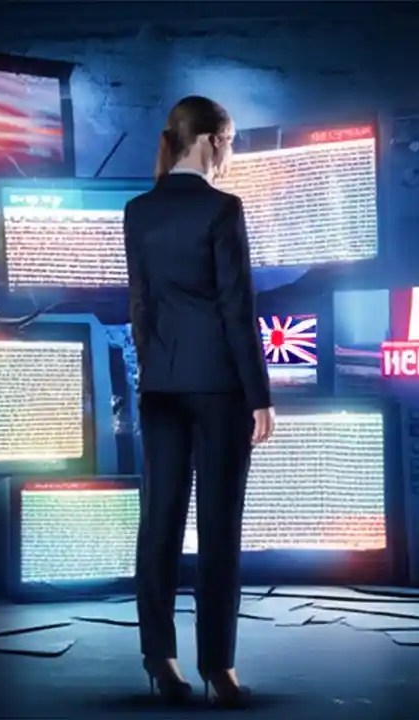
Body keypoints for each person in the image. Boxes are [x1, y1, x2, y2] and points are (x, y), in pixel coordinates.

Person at [124, 95, 274, 710]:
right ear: (211, 140)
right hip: (218, 388)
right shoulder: (223, 208)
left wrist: (153, 367)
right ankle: (219, 668)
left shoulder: (138, 210)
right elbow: (238, 309)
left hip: (159, 385)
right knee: (218, 529)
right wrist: (259, 396)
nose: (231, 154)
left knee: (159, 522)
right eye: (231, 142)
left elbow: (139, 307)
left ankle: (160, 660)